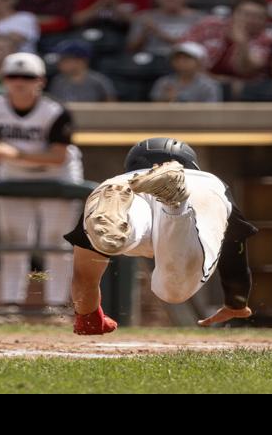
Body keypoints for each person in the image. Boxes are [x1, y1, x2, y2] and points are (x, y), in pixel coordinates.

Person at [66, 137, 257, 335]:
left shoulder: (114, 184)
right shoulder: (210, 182)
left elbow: (84, 277)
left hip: (129, 185)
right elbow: (235, 250)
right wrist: (237, 302)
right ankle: (175, 203)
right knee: (172, 291)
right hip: (196, 191)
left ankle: (129, 220)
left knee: (130, 228)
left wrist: (88, 317)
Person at [0, 52, 81, 319]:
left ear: (40, 81)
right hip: (13, 176)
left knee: (56, 242)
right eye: (13, 76)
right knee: (14, 241)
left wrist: (14, 154)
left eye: (27, 77)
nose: (19, 82)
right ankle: (10, 305)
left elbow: (58, 157)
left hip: (56, 176)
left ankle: (56, 306)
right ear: (4, 80)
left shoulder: (54, 110)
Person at [182, 0, 272, 85]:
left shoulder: (267, 38)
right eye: (246, 14)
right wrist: (211, 79)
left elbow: (247, 70)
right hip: (199, 81)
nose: (251, 20)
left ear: (265, 21)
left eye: (258, 17)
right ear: (232, 14)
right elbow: (183, 52)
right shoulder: (210, 25)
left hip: (242, 88)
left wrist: (242, 43)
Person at [126, 0, 204, 57]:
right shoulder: (144, 17)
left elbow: (199, 48)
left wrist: (158, 33)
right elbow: (131, 49)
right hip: (151, 61)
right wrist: (144, 33)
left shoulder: (199, 19)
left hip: (185, 61)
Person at [46, 40, 117, 103]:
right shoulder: (57, 81)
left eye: (65, 60)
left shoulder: (99, 81)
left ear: (81, 61)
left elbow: (111, 107)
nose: (59, 63)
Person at [150, 43, 223, 103]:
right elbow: (154, 108)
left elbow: (211, 110)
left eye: (187, 58)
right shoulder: (163, 82)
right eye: (177, 58)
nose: (181, 61)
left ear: (199, 61)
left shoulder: (208, 85)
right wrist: (166, 99)